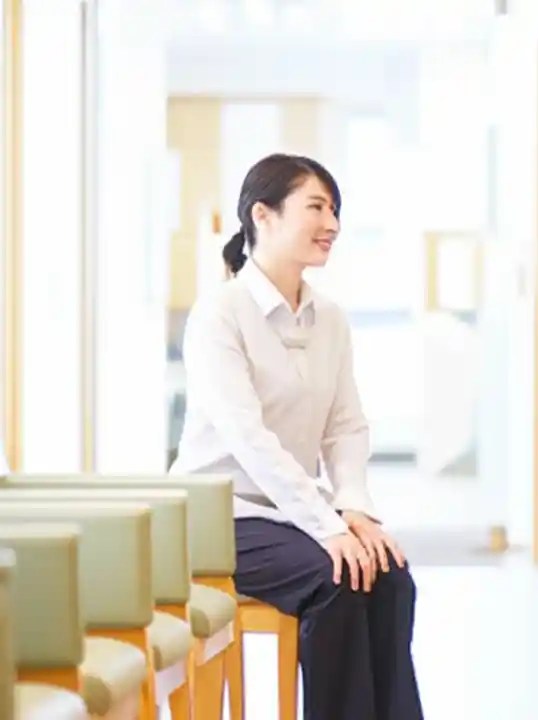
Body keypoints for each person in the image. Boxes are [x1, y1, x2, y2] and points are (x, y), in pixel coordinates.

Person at [171, 153, 424, 720]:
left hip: (294, 511)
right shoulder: (219, 314)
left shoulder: (329, 318)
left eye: (334, 209)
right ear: (262, 215)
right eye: (316, 206)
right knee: (336, 576)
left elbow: (346, 425)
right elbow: (250, 439)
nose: (331, 223)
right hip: (221, 517)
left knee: (390, 577)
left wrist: (355, 509)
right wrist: (327, 527)